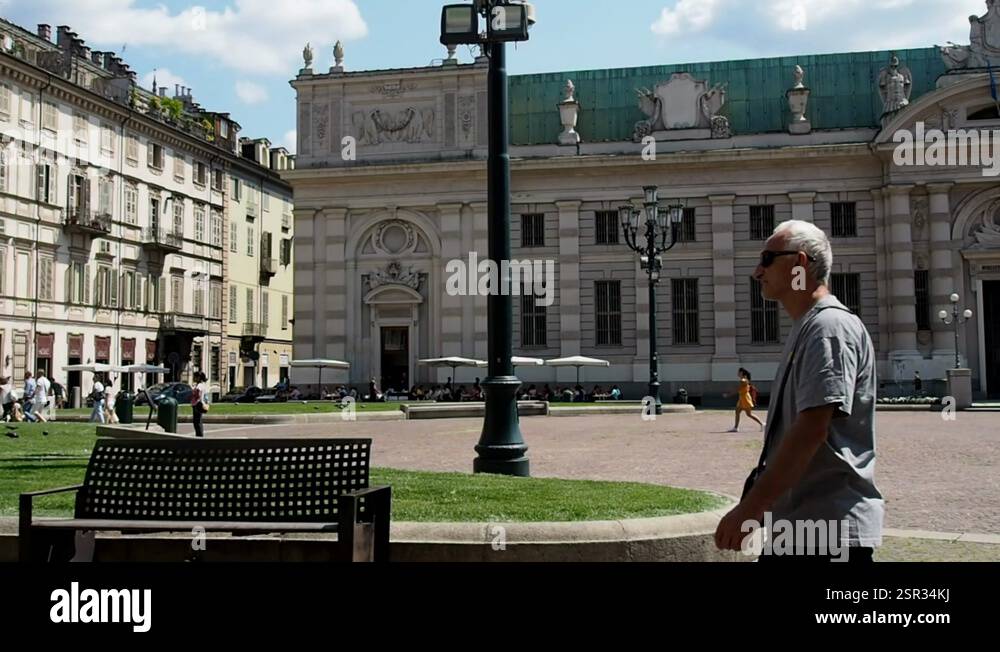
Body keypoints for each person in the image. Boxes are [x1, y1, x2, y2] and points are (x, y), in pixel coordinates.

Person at [714, 220, 883, 562]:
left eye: (767, 259)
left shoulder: (828, 328)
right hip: (803, 528)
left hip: (824, 534)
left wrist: (751, 508)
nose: (757, 272)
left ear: (799, 263)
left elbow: (810, 431)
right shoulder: (810, 327)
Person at [728, 368, 764, 432]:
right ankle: (735, 428)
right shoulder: (744, 380)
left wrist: (728, 394)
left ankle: (762, 424)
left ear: (741, 373)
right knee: (737, 412)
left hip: (745, 398)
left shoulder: (743, 380)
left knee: (749, 414)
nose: (737, 373)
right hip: (742, 398)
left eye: (739, 372)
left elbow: (738, 389)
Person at [191, 371, 209, 438]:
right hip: (199, 404)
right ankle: (199, 435)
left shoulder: (199, 386)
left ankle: (199, 435)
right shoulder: (202, 385)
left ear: (198, 377)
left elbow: (198, 395)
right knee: (198, 421)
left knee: (197, 421)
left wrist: (193, 393)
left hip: (197, 404)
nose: (193, 378)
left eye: (195, 377)